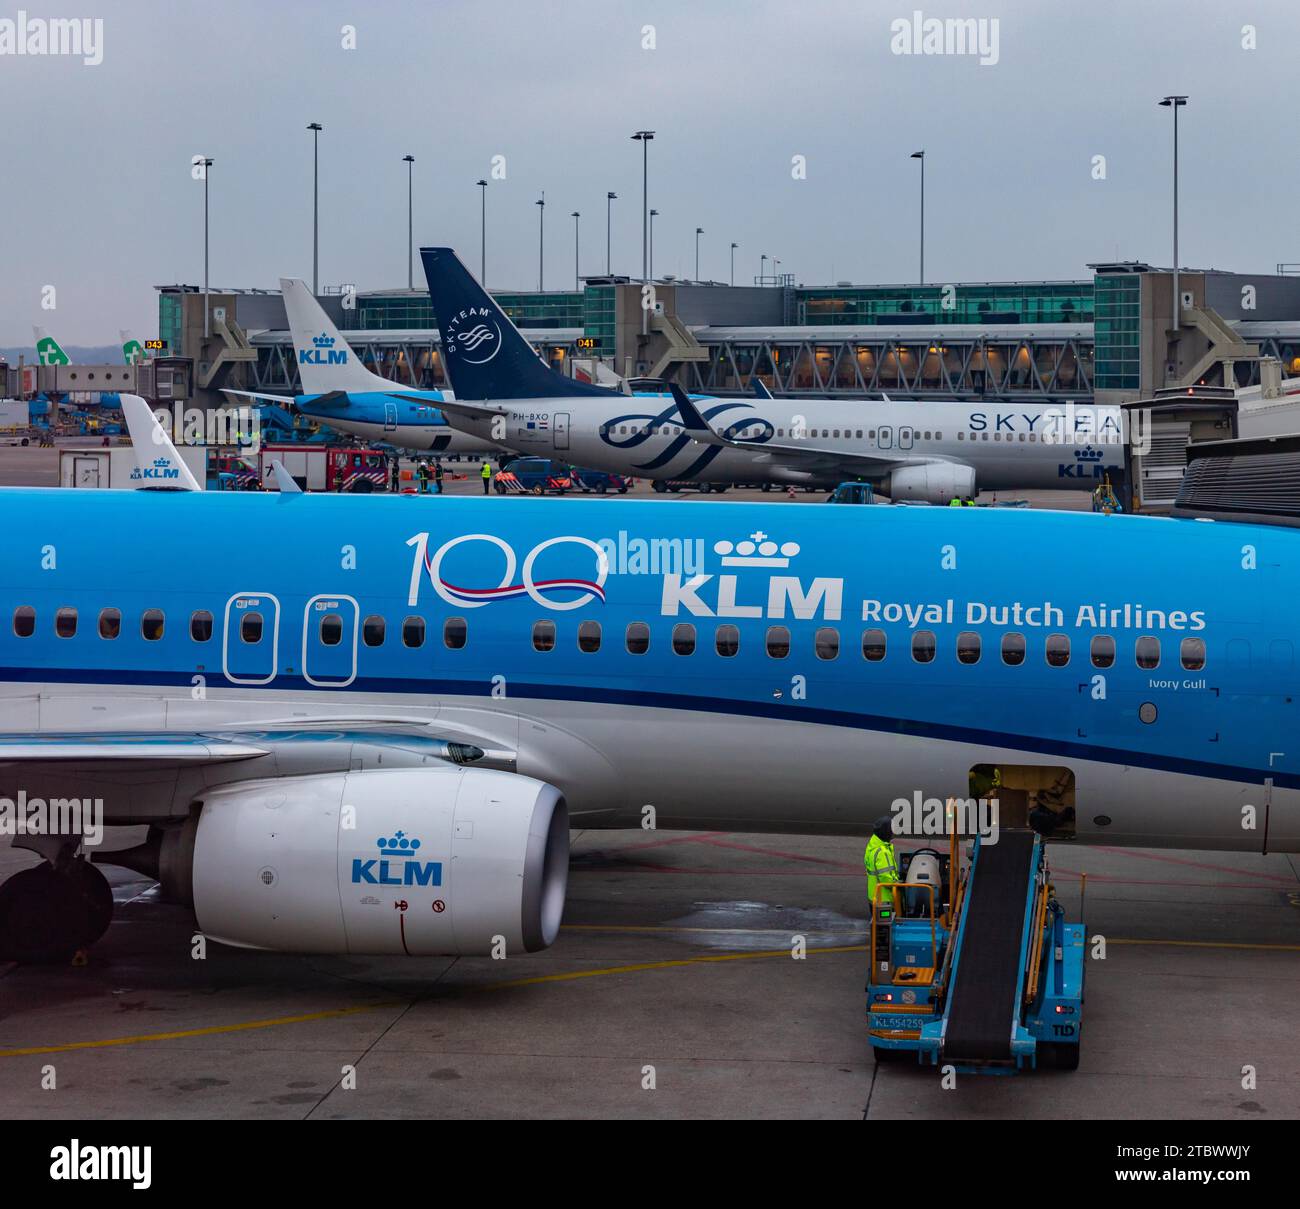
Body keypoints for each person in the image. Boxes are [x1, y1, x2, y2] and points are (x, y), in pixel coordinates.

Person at [864, 815, 901, 918]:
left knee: (878, 929)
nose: (893, 833)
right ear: (886, 832)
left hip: (874, 897)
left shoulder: (872, 846)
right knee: (886, 930)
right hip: (884, 901)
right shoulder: (882, 852)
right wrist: (898, 885)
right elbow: (886, 878)